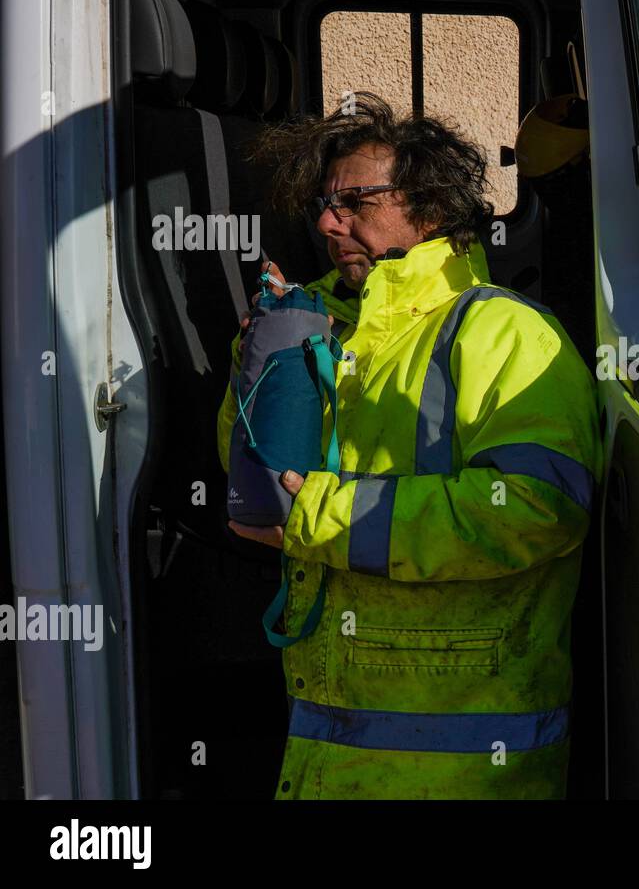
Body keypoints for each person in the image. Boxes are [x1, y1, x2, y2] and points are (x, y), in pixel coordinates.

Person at [217, 92, 601, 799]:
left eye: (355, 201)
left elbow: (536, 510)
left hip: (464, 768)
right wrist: (266, 368)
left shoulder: (503, 333)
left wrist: (321, 518)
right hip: (329, 752)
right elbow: (259, 490)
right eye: (324, 206)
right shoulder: (324, 325)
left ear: (430, 205)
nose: (330, 223)